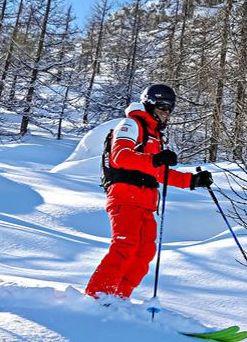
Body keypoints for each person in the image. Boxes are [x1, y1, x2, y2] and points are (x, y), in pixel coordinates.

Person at [87, 83, 213, 299]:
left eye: (169, 109)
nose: (166, 113)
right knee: (125, 245)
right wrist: (154, 159)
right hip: (125, 196)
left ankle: (118, 299)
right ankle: (96, 297)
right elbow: (121, 157)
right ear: (150, 104)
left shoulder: (155, 137)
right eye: (162, 107)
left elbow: (158, 173)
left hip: (145, 201)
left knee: (144, 252)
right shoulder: (131, 125)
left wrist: (192, 181)